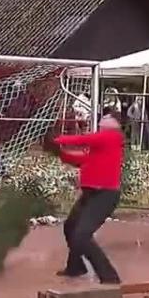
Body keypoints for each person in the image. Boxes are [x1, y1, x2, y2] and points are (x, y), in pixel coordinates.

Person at [51, 112, 124, 285]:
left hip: (105, 195)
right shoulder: (101, 143)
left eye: (106, 118)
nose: (101, 120)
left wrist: (59, 140)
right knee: (71, 227)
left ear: (115, 123)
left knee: (82, 235)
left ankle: (109, 277)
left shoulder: (112, 137)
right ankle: (76, 267)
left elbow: (85, 139)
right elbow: (83, 160)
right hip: (91, 194)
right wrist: (60, 153)